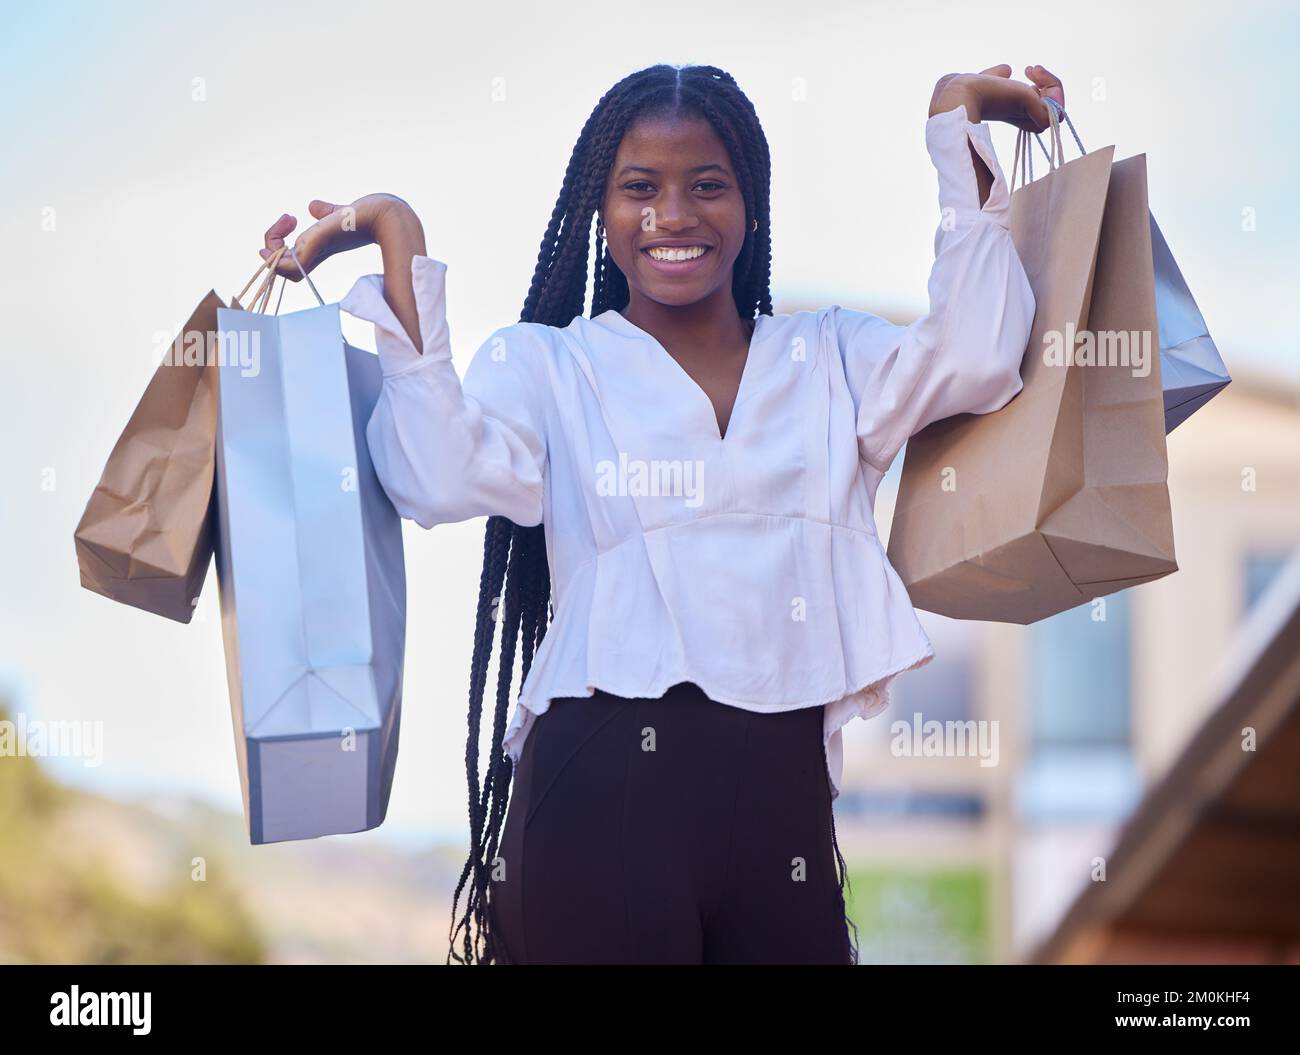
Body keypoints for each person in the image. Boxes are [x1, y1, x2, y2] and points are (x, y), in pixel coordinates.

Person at [258, 61, 1063, 965]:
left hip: (783, 824)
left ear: (750, 206)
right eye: (639, 188)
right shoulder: (551, 368)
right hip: (603, 802)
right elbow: (436, 476)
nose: (673, 215)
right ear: (603, 218)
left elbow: (982, 354)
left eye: (707, 186)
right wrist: (392, 230)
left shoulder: (828, 355)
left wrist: (955, 131)